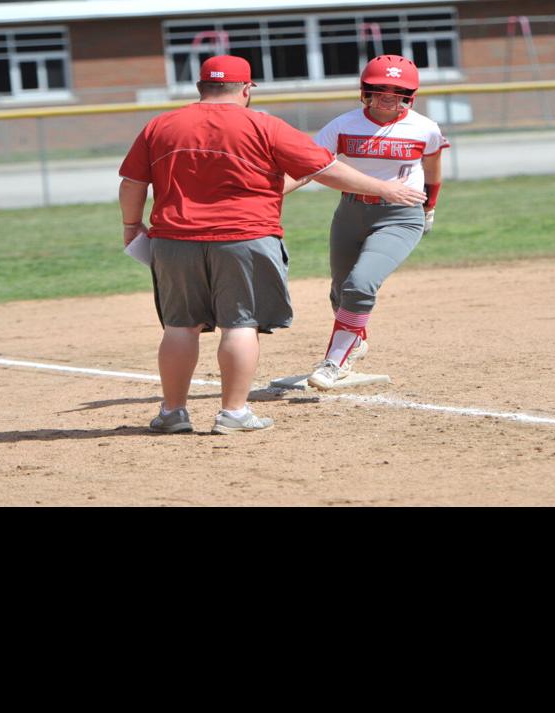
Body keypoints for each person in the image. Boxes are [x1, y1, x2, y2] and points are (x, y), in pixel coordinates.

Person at [118, 55, 426, 434]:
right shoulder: (263, 124)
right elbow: (324, 169)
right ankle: (232, 414)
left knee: (180, 326)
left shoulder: (161, 125)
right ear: (246, 89)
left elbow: (133, 182)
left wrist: (132, 224)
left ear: (201, 87)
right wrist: (385, 188)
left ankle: (172, 413)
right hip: (246, 237)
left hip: (174, 238)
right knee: (240, 324)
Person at [285, 55, 447, 390]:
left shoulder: (424, 128)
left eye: (398, 89)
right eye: (380, 87)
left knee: (359, 285)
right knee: (340, 291)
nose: (388, 95)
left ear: (410, 94)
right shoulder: (343, 125)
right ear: (365, 90)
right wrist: (267, 194)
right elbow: (308, 167)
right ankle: (354, 342)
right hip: (350, 212)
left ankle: (333, 363)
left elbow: (432, 169)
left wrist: (429, 207)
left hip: (400, 216)